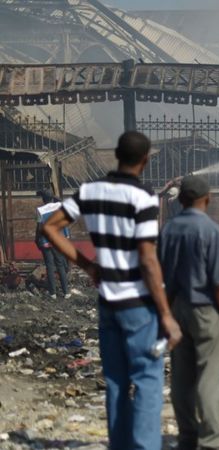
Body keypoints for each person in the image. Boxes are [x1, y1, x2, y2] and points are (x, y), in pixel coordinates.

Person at [42, 131, 182, 449]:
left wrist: (88, 265)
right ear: (145, 160)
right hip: (139, 304)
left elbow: (49, 226)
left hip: (107, 302)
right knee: (147, 380)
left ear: (116, 154)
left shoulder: (89, 191)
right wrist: (166, 314)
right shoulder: (143, 197)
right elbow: (147, 260)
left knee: (117, 382)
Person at [159, 176, 219, 450]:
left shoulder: (168, 230)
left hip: (177, 307)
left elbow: (163, 277)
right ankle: (212, 440)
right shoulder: (210, 230)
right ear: (207, 198)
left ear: (180, 200)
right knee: (211, 376)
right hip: (206, 309)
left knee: (181, 375)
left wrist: (166, 315)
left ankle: (187, 437)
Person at [35, 190, 70, 299]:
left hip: (46, 242)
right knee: (60, 266)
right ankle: (66, 292)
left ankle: (53, 293)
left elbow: (40, 228)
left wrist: (40, 241)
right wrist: (66, 235)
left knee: (49, 267)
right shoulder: (60, 206)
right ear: (52, 198)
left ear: (43, 199)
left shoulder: (40, 210)